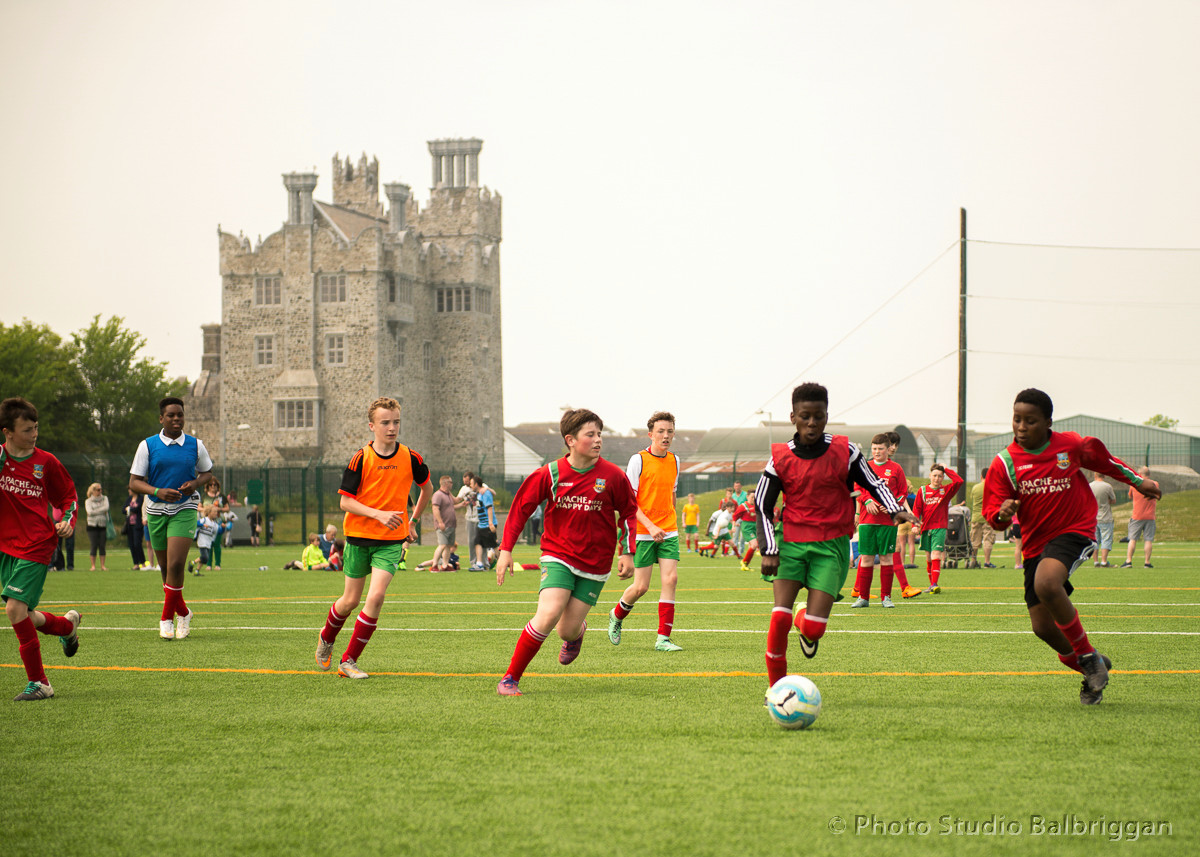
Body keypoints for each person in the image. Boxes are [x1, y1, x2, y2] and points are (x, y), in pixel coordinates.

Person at [982, 388, 1159, 705]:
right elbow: (993, 513)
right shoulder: (1005, 463)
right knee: (1042, 628)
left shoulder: (1070, 446)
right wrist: (1001, 513)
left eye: (1030, 421)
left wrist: (1138, 481)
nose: (1021, 426)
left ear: (1048, 422)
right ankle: (1092, 666)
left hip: (1075, 529)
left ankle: (1088, 660)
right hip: (1037, 544)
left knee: (1047, 583)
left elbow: (1105, 461)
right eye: (1017, 419)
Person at [757, 384, 913, 688]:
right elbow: (761, 506)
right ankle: (776, 690)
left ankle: (806, 620)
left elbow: (875, 482)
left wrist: (895, 509)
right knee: (778, 618)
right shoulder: (779, 459)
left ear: (827, 416)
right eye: (805, 417)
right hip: (790, 542)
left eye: (819, 416)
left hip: (831, 546)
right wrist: (769, 549)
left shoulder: (847, 451)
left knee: (814, 628)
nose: (812, 423)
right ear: (793, 417)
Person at [495, 408, 638, 696]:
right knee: (548, 613)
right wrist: (506, 549)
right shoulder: (550, 473)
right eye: (591, 434)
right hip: (557, 555)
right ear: (570, 440)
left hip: (596, 563)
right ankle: (510, 679)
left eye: (600, 434)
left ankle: (577, 633)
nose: (598, 440)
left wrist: (627, 552)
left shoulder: (613, 476)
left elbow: (629, 513)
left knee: (565, 630)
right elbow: (520, 508)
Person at [314, 397, 431, 679]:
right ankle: (327, 637)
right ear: (372, 426)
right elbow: (345, 502)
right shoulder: (361, 458)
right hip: (358, 538)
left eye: (396, 422)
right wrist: (378, 514)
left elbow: (426, 489)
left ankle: (349, 661)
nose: (392, 428)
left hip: (391, 541)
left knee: (376, 596)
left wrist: (412, 521)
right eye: (385, 422)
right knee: (349, 601)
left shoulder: (411, 457)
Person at [1, 397, 83, 702]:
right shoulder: (0, 459)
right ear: (8, 432)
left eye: (36, 428)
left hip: (37, 542)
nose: (34, 434)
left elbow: (69, 497)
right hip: (6, 546)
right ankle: (66, 626)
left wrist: (68, 522)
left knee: (14, 609)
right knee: (26, 614)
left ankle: (40, 683)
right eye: (27, 430)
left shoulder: (46, 462)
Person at [129, 396, 214, 641]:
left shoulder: (196, 445)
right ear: (161, 419)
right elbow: (134, 482)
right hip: (156, 511)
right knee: (166, 569)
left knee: (177, 564)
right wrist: (157, 491)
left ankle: (167, 618)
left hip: (184, 508)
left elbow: (207, 473)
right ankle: (184, 612)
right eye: (171, 415)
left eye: (180, 415)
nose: (177, 419)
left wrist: (195, 483)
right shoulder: (147, 445)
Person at [607, 411, 684, 652]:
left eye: (670, 431)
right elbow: (628, 503)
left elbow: (672, 493)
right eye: (661, 431)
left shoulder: (675, 460)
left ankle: (663, 638)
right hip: (642, 532)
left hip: (668, 529)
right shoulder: (637, 460)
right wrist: (650, 526)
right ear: (650, 434)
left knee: (671, 579)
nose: (666, 435)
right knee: (641, 587)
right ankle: (616, 615)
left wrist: (669, 521)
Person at [850, 434, 912, 608]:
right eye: (874, 449)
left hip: (888, 521)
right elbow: (856, 490)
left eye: (880, 449)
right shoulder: (864, 466)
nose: (877, 452)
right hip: (867, 520)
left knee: (886, 558)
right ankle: (863, 597)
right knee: (866, 557)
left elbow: (902, 493)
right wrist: (867, 500)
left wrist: (891, 504)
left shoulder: (896, 468)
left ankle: (886, 597)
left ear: (888, 449)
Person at [911, 463, 964, 594]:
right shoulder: (922, 491)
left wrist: (946, 469)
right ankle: (931, 585)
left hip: (939, 527)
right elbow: (916, 509)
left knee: (936, 554)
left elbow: (959, 481)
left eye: (940, 476)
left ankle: (935, 584)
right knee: (928, 557)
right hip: (925, 528)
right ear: (930, 476)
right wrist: (914, 525)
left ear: (943, 478)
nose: (937, 478)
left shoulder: (945, 491)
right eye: (934, 475)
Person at [1122, 467, 1158, 569]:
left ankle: (1128, 561)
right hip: (1150, 516)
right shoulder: (1155, 484)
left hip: (1137, 516)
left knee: (1132, 539)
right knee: (1148, 540)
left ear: (1140, 473)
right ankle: (1147, 562)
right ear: (1149, 474)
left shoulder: (1135, 484)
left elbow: (1130, 496)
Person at [430, 475, 458, 571]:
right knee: (442, 545)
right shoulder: (438, 495)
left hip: (451, 525)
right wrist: (440, 522)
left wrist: (464, 501)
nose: (452, 484)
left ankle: (445, 565)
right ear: (445, 483)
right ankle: (434, 565)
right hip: (443, 526)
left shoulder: (448, 494)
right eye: (450, 482)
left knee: (448, 546)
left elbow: (455, 502)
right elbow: (435, 508)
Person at [968, 479, 997, 568]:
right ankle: (987, 562)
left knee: (974, 540)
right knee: (988, 539)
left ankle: (973, 560)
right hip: (988, 517)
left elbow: (972, 499)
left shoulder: (975, 488)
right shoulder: (992, 487)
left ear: (981, 476)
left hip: (976, 517)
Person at [469, 474, 497, 571]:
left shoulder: (485, 493)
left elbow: (489, 508)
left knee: (493, 545)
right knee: (477, 542)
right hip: (481, 524)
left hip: (488, 524)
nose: (470, 485)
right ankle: (479, 564)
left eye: (472, 483)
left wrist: (490, 523)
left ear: (476, 484)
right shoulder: (480, 493)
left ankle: (503, 561)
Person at [1090, 472, 1117, 567]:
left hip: (1093, 517)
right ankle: (1104, 561)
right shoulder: (1107, 486)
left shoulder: (1090, 486)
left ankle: (1096, 561)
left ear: (1095, 475)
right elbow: (1113, 500)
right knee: (1106, 539)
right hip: (1105, 517)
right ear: (1104, 475)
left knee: (1095, 540)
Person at [84, 483, 110, 571]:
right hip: (92, 525)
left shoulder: (105, 498)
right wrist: (101, 511)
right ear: (93, 491)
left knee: (102, 545)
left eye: (101, 489)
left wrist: (96, 511)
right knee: (94, 545)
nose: (100, 491)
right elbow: (89, 512)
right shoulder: (88, 501)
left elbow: (106, 508)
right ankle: (93, 566)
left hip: (102, 525)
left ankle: (103, 565)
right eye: (98, 490)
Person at [191, 504, 223, 575]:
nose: (216, 513)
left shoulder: (214, 524)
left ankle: (197, 571)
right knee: (205, 557)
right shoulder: (204, 520)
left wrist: (223, 528)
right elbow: (195, 523)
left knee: (205, 558)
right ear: (209, 512)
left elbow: (219, 532)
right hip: (202, 541)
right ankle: (192, 563)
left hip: (208, 542)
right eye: (214, 512)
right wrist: (202, 525)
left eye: (216, 512)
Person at [733, 494, 760, 571]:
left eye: (755, 497)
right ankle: (744, 561)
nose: (753, 499)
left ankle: (745, 565)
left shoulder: (757, 505)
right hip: (747, 527)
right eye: (752, 497)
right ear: (747, 496)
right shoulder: (743, 506)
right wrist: (733, 526)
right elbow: (735, 516)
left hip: (755, 527)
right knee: (754, 545)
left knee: (752, 546)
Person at [124, 488, 147, 569]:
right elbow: (123, 509)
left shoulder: (141, 498)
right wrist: (129, 509)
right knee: (132, 545)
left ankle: (143, 563)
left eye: (130, 489)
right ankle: (136, 563)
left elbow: (139, 508)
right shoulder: (129, 499)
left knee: (137, 543)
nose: (129, 491)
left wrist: (130, 509)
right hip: (129, 525)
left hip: (138, 525)